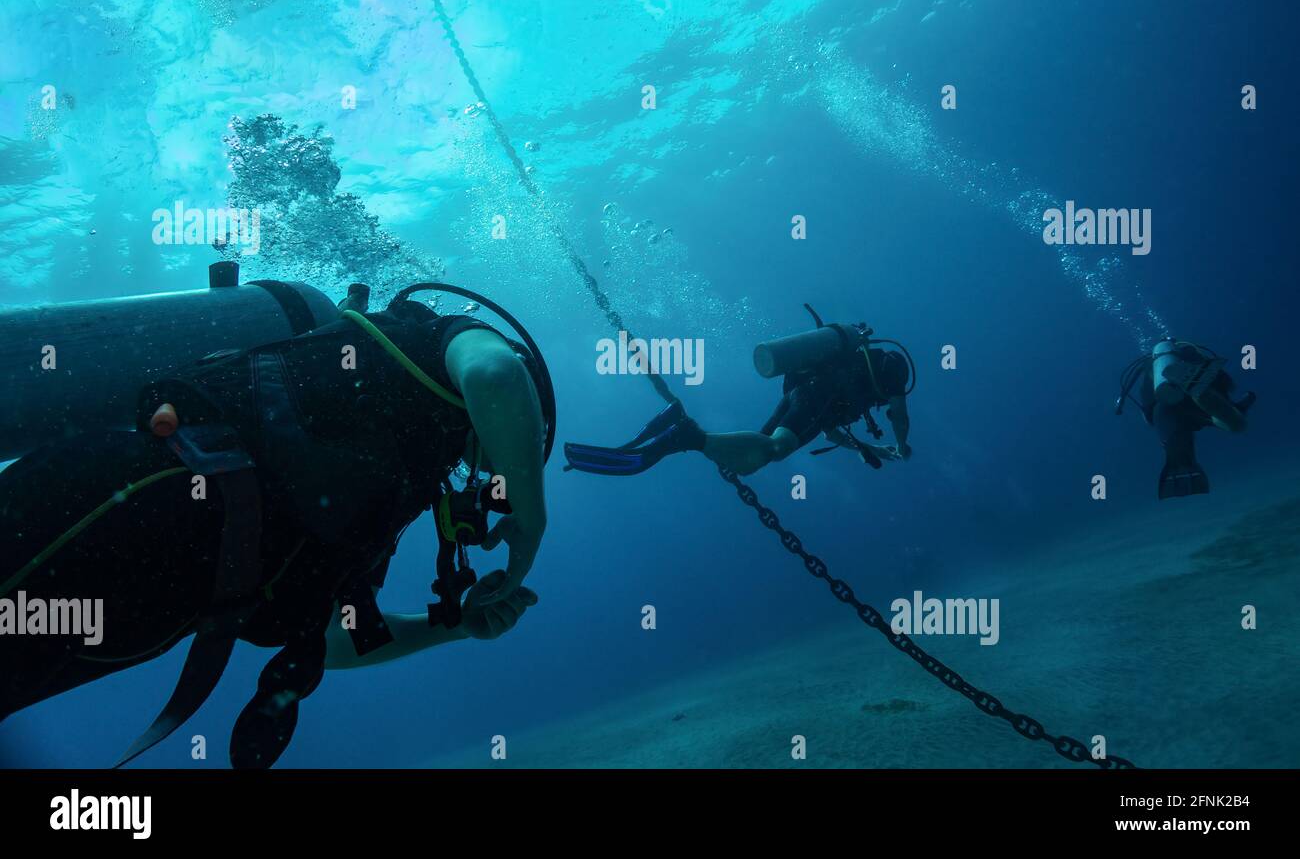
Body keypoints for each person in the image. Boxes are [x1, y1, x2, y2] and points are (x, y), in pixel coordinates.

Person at [0, 288, 553, 768]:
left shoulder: (398, 474)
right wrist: (531, 523)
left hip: (153, 615)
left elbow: (340, 641)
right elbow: (496, 375)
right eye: (519, 452)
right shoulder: (437, 344)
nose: (493, 476)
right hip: (124, 503)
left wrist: (455, 625)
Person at [565, 308, 913, 477]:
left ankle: (679, 432)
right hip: (812, 398)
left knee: (752, 459)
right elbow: (901, 415)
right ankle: (690, 437)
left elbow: (828, 429)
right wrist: (898, 445)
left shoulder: (856, 377)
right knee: (774, 449)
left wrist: (868, 449)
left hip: (801, 396)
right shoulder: (890, 371)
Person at [1116, 338, 1255, 498]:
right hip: (1197, 403)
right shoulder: (1190, 352)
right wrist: (1241, 404)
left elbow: (1147, 410)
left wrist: (1154, 421)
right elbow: (1226, 383)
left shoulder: (1148, 367)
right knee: (1237, 425)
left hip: (1164, 409)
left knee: (1171, 436)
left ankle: (1176, 452)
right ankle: (1201, 395)